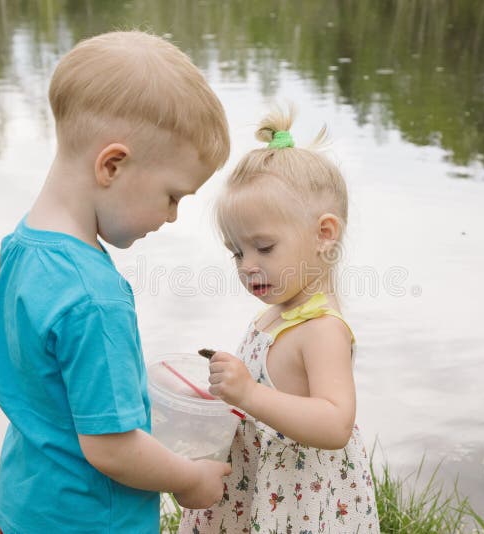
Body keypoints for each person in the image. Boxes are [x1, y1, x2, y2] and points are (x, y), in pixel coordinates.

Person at [0, 30, 232, 533]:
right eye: (172, 195)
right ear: (112, 165)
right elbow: (113, 449)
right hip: (90, 519)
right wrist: (188, 478)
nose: (172, 216)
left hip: (29, 503)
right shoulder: (93, 296)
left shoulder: (24, 247)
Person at [179, 108, 380, 533]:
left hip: (301, 500)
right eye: (237, 252)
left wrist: (249, 394)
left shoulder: (323, 329)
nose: (247, 265)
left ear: (324, 234)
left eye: (264, 248)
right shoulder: (276, 312)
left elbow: (335, 422)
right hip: (262, 486)